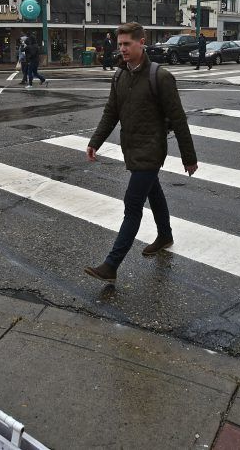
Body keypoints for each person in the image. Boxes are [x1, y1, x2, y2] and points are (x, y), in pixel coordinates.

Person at [84, 22, 198, 283]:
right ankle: (165, 235)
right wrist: (96, 141)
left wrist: (188, 157)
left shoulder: (160, 77)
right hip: (131, 148)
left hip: (151, 150)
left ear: (141, 42)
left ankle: (111, 265)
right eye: (120, 44)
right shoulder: (120, 75)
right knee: (154, 192)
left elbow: (178, 119)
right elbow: (111, 112)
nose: (122, 49)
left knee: (132, 205)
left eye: (127, 44)